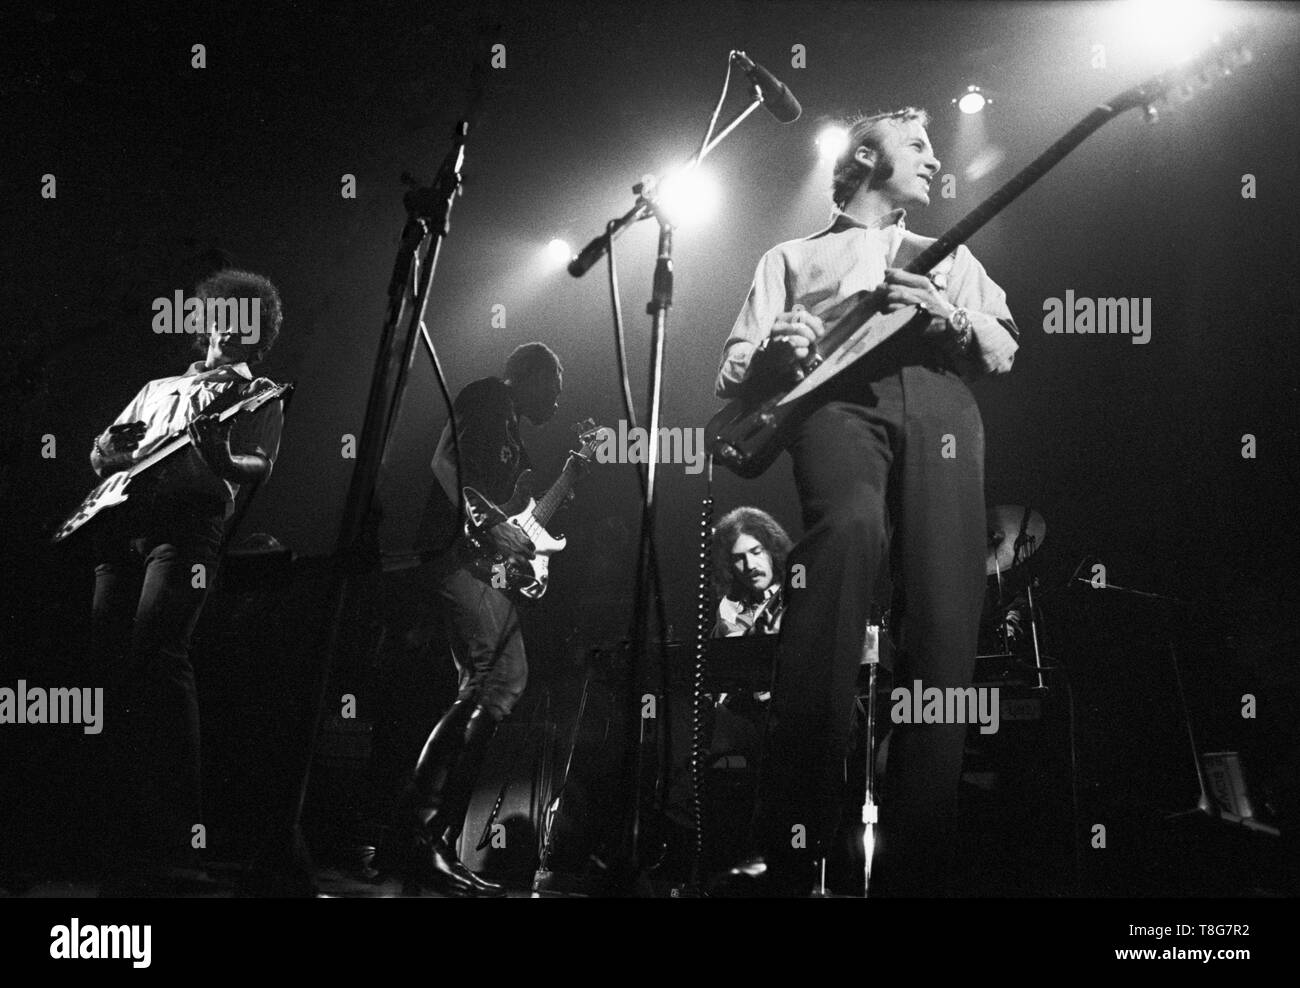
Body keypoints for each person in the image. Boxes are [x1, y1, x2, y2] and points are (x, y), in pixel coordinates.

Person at [714, 108, 1019, 896]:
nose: (931, 157)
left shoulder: (944, 252)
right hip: (836, 408)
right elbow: (732, 375)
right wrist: (777, 351)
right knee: (844, 539)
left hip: (942, 403)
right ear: (862, 157)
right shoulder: (789, 255)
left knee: (948, 613)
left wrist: (946, 310)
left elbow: (1003, 346)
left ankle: (920, 860)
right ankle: (790, 843)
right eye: (914, 144)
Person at [89, 269, 286, 888]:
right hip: (121, 528)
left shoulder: (257, 393)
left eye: (247, 320)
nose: (232, 325)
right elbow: (101, 456)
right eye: (225, 313)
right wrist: (106, 451)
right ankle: (110, 829)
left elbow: (260, 465)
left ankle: (178, 840)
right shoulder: (157, 387)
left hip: (189, 530)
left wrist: (222, 456)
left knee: (159, 656)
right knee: (105, 665)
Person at [379, 342, 563, 897]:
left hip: (478, 565)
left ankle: (420, 839)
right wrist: (485, 525)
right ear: (528, 375)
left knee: (488, 682)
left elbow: (507, 516)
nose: (557, 397)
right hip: (453, 557)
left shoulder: (515, 441)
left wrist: (524, 555)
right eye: (554, 383)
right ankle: (422, 835)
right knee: (499, 678)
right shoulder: (487, 395)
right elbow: (445, 462)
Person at [711, 506, 792, 638]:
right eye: (738, 558)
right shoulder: (729, 606)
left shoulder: (798, 570)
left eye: (756, 552)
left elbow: (802, 594)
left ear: (772, 549)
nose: (750, 565)